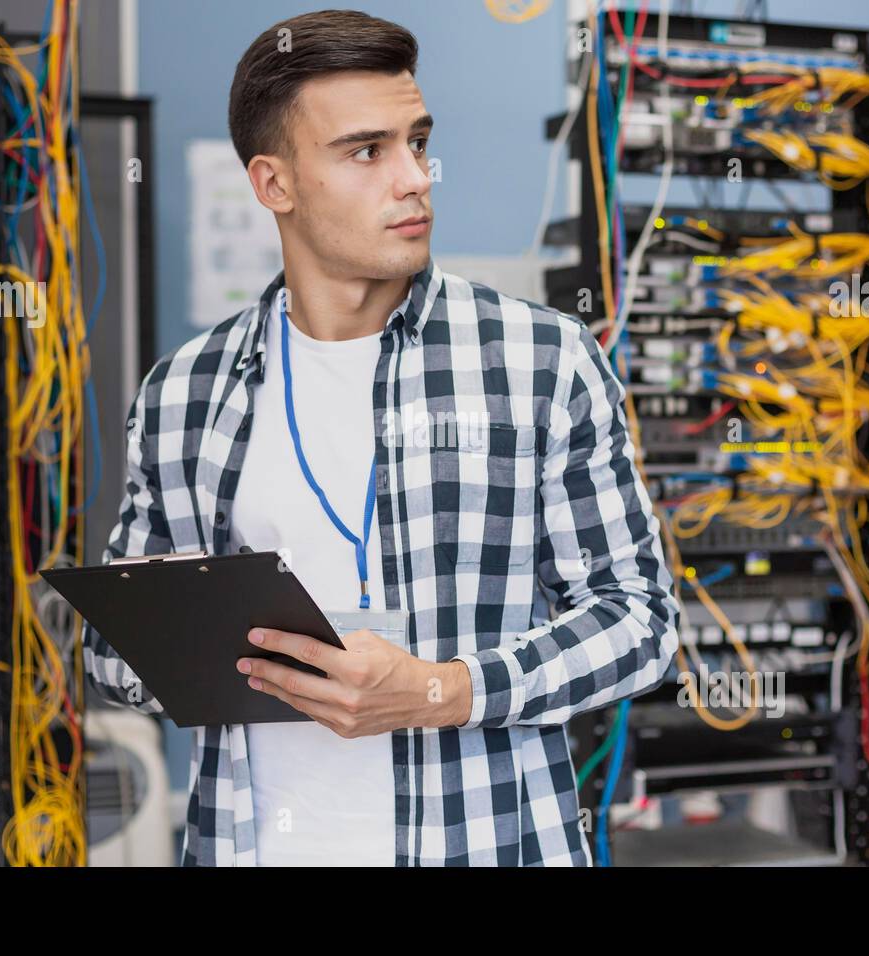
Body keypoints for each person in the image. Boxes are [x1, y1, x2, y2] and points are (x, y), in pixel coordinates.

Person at [83, 8, 680, 866]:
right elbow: (111, 654)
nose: (415, 177)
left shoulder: (541, 361)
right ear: (274, 184)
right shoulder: (186, 392)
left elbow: (640, 626)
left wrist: (442, 691)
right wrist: (201, 644)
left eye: (417, 141)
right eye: (367, 151)